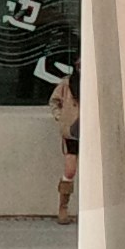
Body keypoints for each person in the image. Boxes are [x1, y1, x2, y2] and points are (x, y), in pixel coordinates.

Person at [48, 73, 80, 223]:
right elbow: (54, 101)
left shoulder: (97, 80)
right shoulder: (67, 83)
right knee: (70, 170)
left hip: (93, 129)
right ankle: (63, 208)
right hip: (72, 131)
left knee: (95, 170)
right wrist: (61, 117)